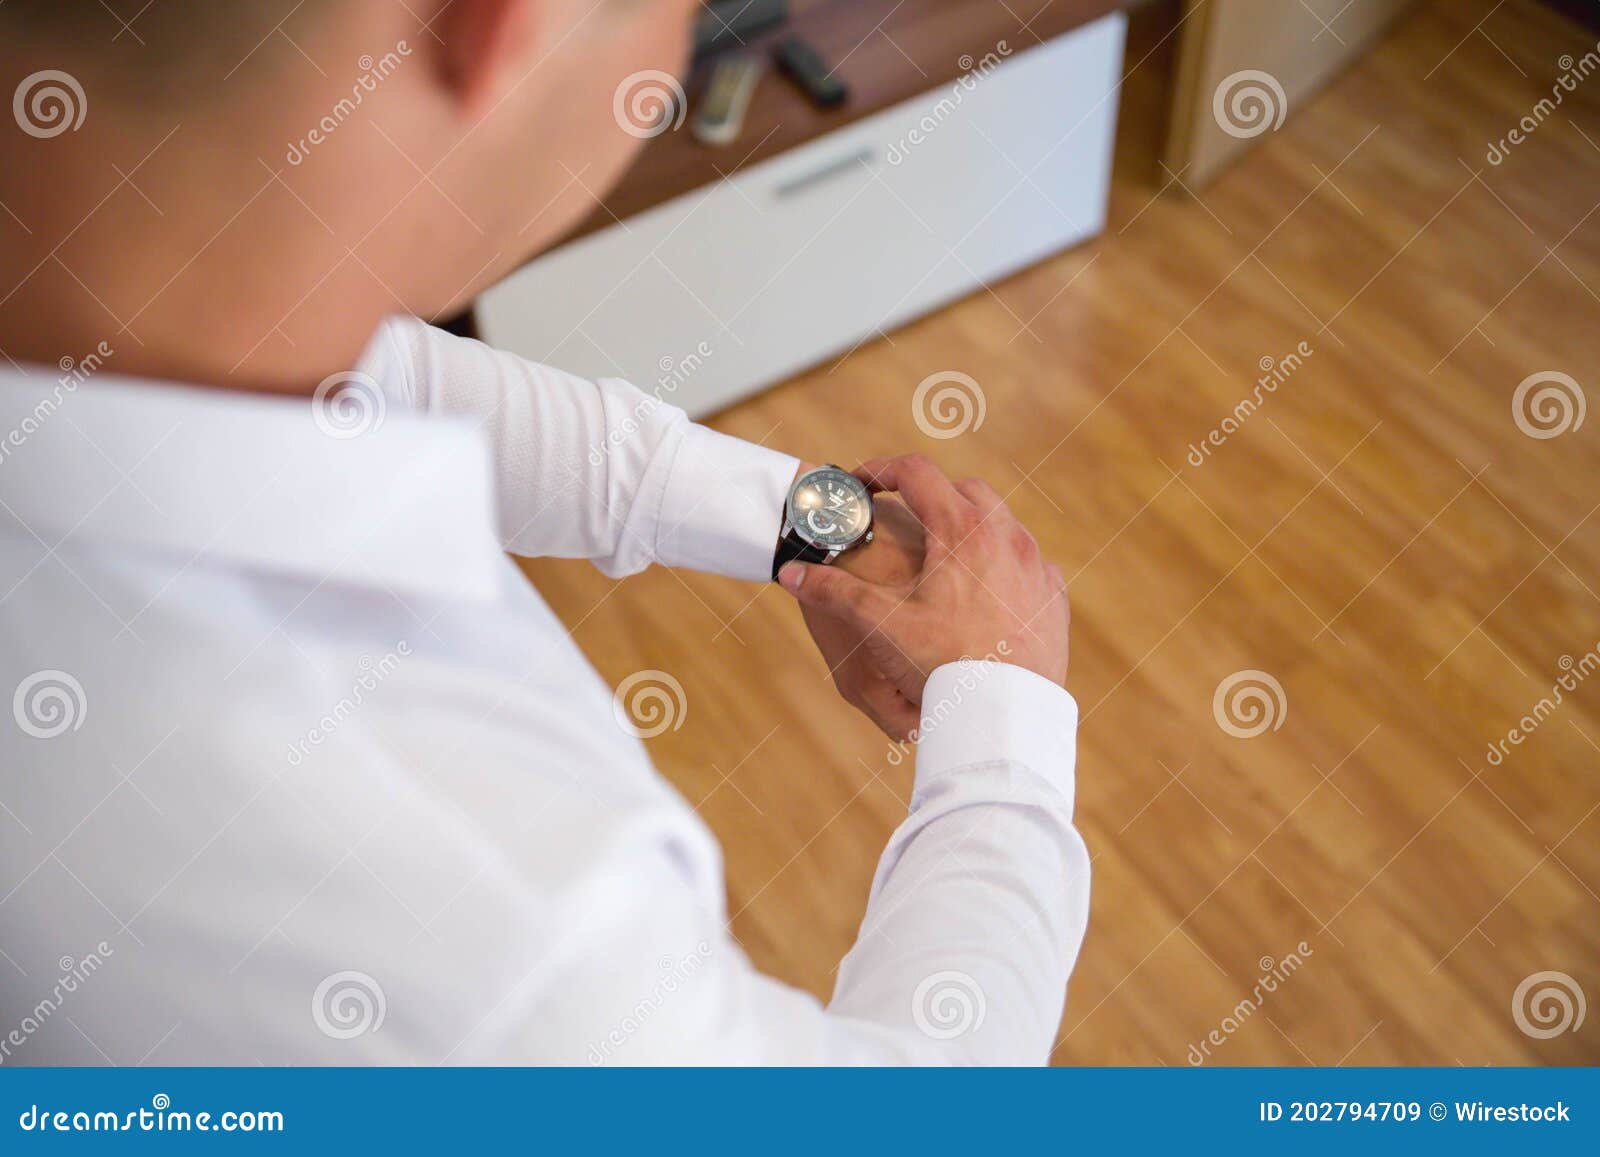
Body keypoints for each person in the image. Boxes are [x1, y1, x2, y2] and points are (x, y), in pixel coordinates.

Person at [0, 0, 1085, 1064]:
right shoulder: (505, 922)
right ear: (503, 24)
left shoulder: (132, 296)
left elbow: (398, 379)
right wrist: (1004, 727)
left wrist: (811, 530)